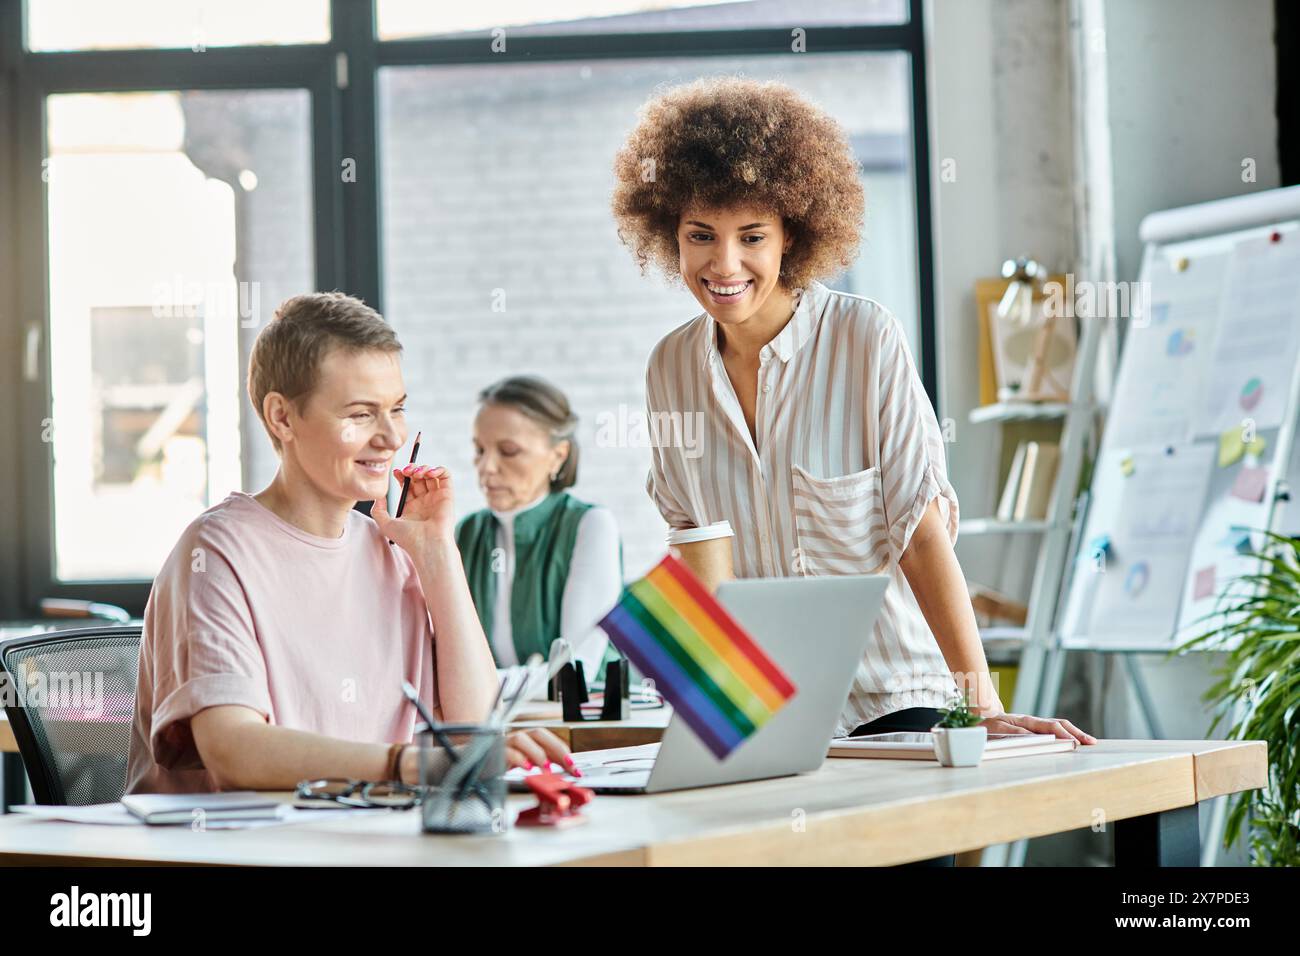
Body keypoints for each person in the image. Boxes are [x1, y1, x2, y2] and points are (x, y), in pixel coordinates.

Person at [611, 78, 1095, 853]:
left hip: (894, 703)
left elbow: (920, 532)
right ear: (668, 232)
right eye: (700, 234)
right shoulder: (669, 367)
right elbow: (699, 555)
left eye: (752, 236)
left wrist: (979, 706)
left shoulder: (864, 339)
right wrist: (699, 719)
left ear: (793, 235)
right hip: (761, 724)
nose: (724, 262)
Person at [126, 292, 572, 794]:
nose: (390, 437)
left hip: (359, 841)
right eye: (361, 414)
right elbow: (234, 750)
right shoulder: (216, 552)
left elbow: (475, 728)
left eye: (397, 409)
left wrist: (436, 552)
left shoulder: (393, 554)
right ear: (282, 418)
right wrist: (405, 764)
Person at [456, 376, 622, 685]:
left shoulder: (591, 525)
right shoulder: (468, 532)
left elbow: (575, 673)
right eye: (480, 449)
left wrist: (476, 686)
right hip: (502, 723)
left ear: (557, 456)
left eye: (508, 451)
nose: (486, 467)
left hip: (588, 726)